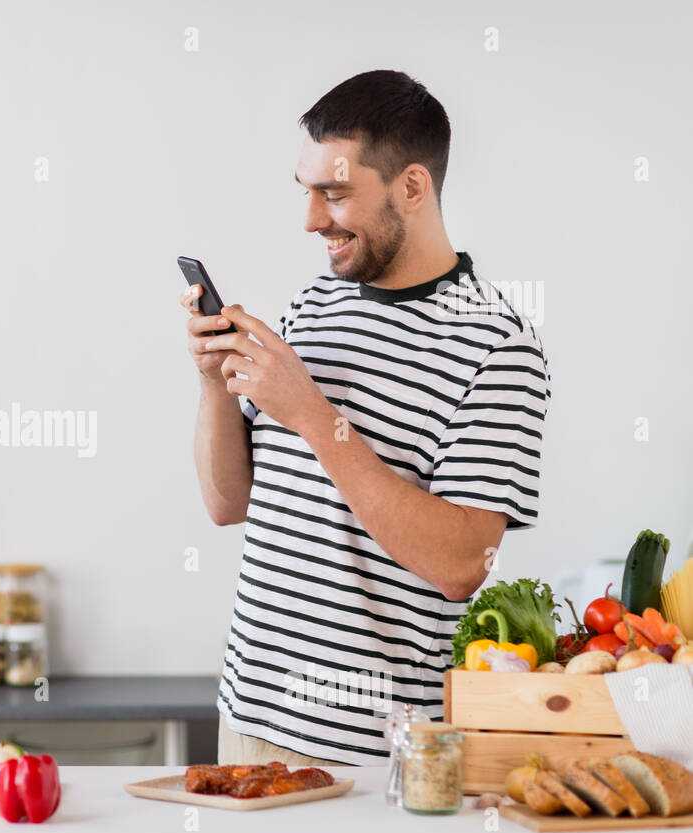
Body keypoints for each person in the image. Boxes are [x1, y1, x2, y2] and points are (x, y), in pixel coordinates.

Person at [184, 71, 550, 766]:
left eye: (336, 193)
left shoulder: (498, 347)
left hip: (374, 756)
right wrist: (212, 385)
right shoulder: (316, 304)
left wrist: (317, 419)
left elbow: (462, 564)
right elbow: (227, 504)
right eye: (307, 191)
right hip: (248, 722)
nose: (311, 220)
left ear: (412, 188)